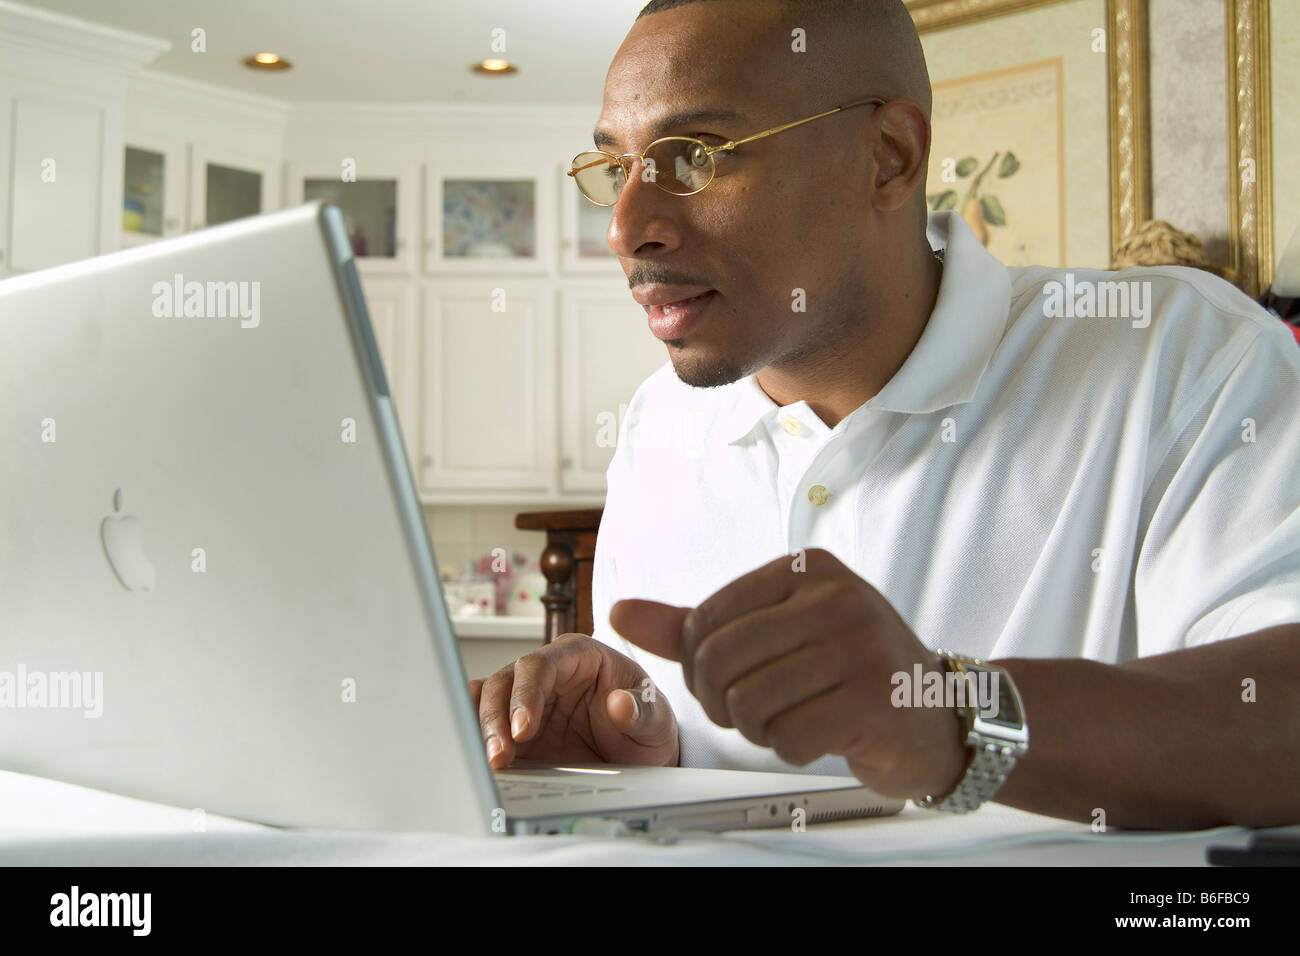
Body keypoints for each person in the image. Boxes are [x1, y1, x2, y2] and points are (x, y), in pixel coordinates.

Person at [470, 0, 1300, 829]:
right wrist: (645, 747)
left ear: (890, 158)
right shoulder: (656, 426)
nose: (624, 228)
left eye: (696, 157)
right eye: (616, 168)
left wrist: (955, 719)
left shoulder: (1186, 358)